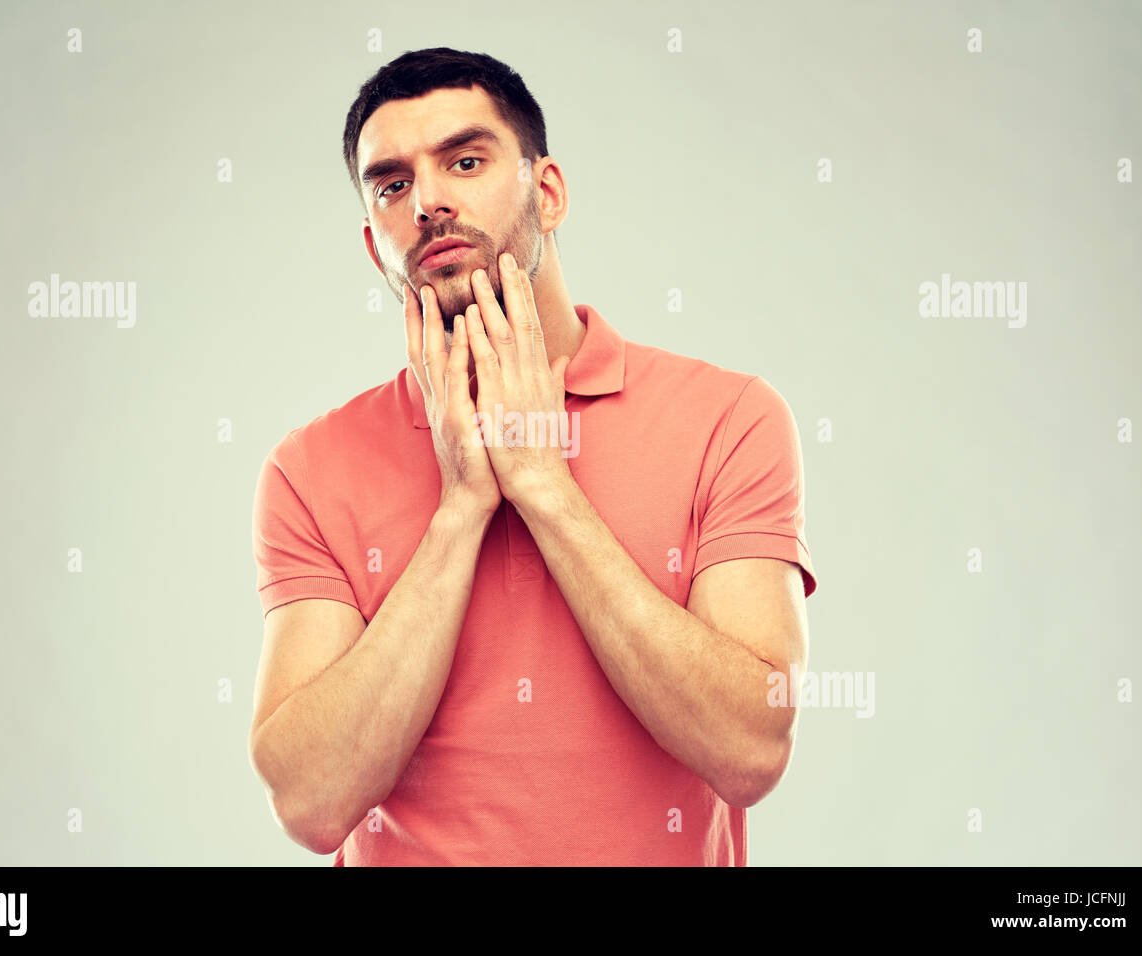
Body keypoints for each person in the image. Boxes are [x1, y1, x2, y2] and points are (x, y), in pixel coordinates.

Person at [248, 47, 817, 866]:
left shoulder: (730, 419)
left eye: (465, 161)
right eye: (393, 185)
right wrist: (461, 509)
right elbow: (310, 802)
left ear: (546, 193)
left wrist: (544, 485)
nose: (428, 202)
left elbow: (750, 750)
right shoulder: (310, 469)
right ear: (376, 246)